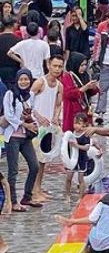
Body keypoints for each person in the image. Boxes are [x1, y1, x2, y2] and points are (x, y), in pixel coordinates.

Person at [3, 68, 42, 208]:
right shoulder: (10, 94)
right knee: (13, 170)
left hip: (25, 136)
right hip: (13, 136)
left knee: (34, 166)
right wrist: (23, 123)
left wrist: (31, 122)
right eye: (21, 79)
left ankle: (27, 196)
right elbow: (9, 115)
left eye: (26, 79)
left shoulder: (30, 96)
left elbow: (32, 111)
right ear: (17, 80)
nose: (24, 82)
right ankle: (13, 201)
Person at [30, 53, 64, 202]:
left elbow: (58, 105)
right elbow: (28, 103)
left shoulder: (59, 85)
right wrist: (37, 116)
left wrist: (56, 116)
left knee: (43, 160)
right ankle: (33, 190)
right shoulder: (39, 82)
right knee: (35, 161)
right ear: (49, 65)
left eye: (60, 67)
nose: (57, 69)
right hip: (36, 127)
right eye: (55, 66)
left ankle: (38, 188)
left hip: (48, 128)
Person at [61, 52, 98, 133]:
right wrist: (85, 88)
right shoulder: (67, 76)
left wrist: (94, 87)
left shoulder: (86, 75)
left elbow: (90, 93)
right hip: (72, 110)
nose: (84, 68)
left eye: (85, 65)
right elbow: (68, 94)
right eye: (81, 65)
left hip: (85, 109)